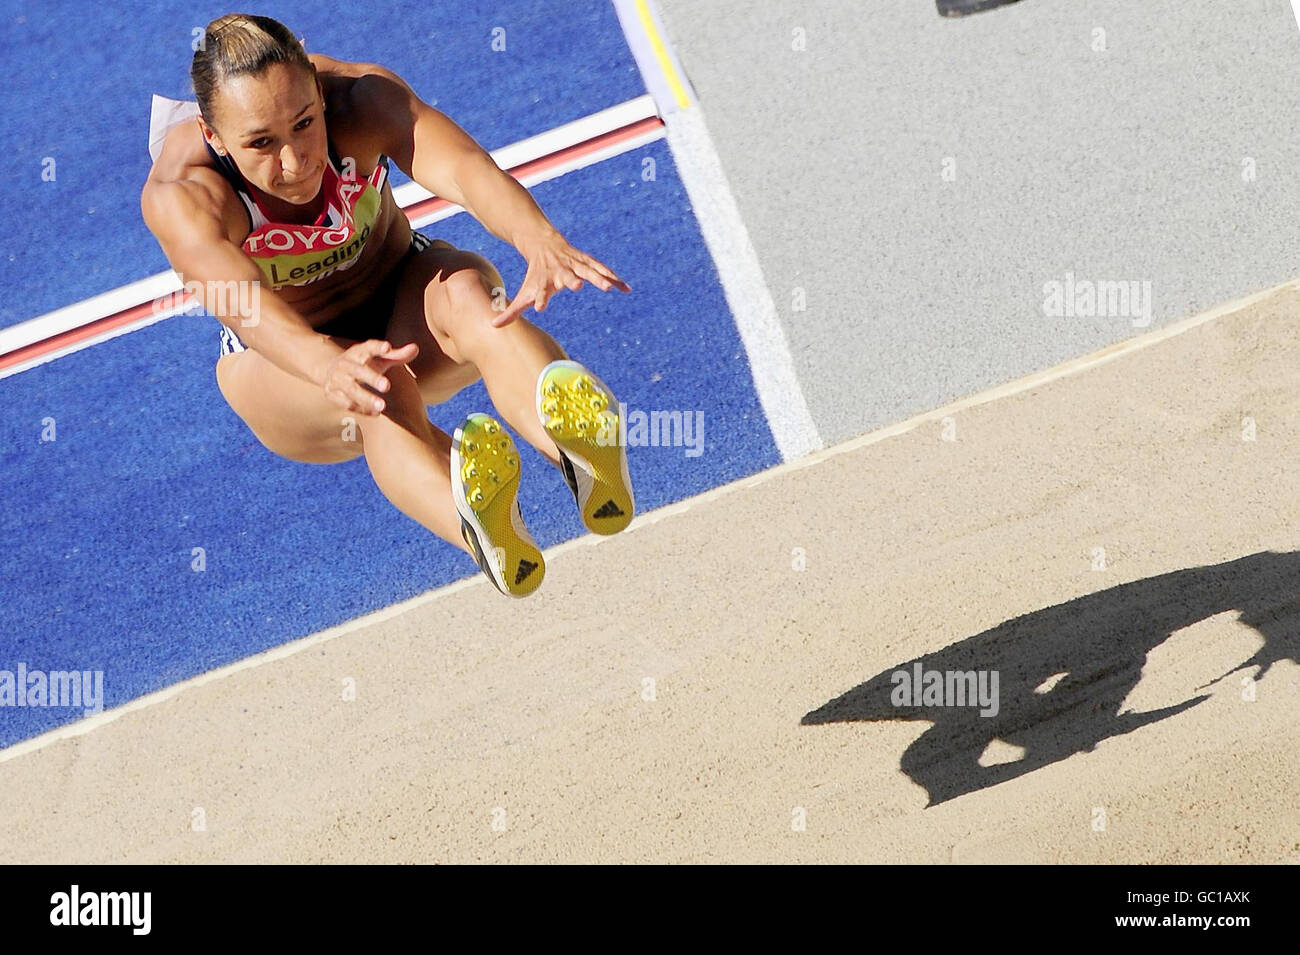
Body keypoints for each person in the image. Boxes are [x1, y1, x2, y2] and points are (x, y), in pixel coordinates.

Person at [140, 14, 635, 598]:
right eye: (261, 144)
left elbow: (465, 170)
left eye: (304, 123)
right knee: (379, 387)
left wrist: (538, 239)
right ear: (214, 134)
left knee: (471, 295)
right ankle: (477, 526)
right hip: (285, 366)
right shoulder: (184, 193)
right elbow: (240, 302)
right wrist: (327, 363)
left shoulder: (362, 99)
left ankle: (582, 461)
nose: (295, 162)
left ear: (316, 89)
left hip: (405, 301)